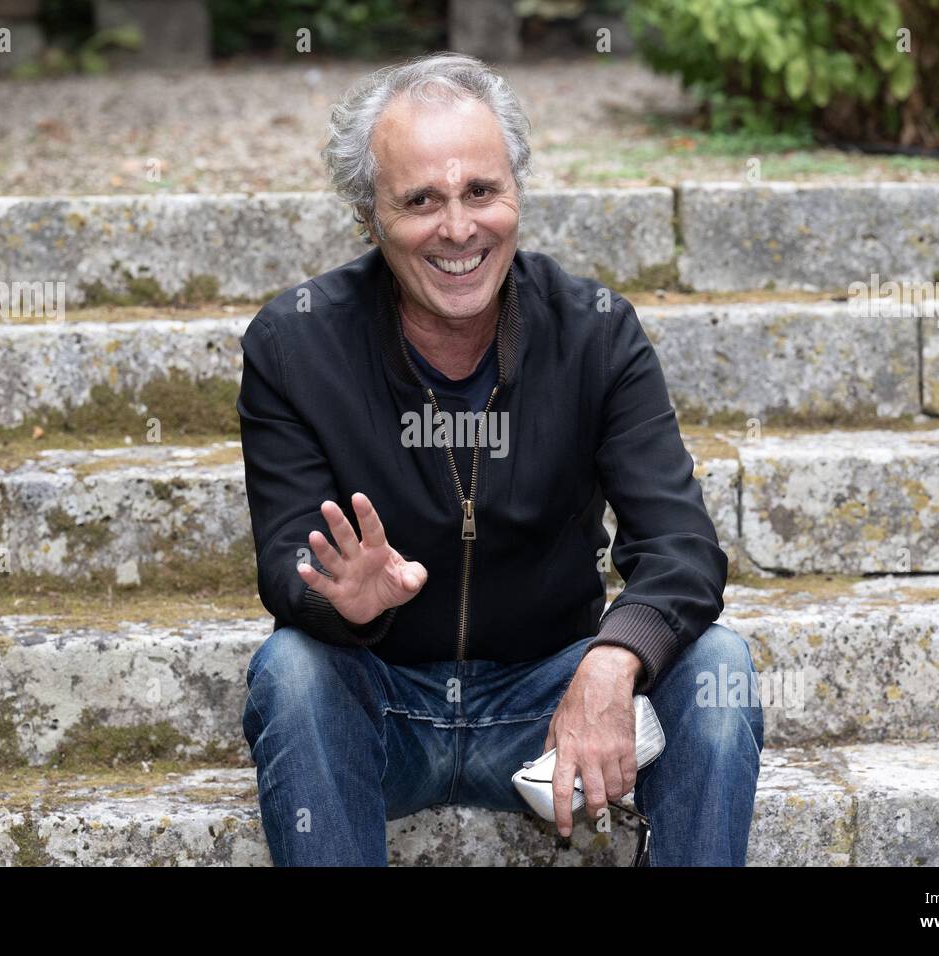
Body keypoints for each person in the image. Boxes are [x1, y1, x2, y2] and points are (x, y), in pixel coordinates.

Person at [237, 51, 763, 866]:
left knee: (717, 663)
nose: (458, 229)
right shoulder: (294, 343)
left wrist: (613, 658)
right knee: (294, 669)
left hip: (547, 708)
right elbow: (285, 563)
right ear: (368, 215)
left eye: (481, 191)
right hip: (383, 704)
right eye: (420, 201)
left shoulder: (595, 332)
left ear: (516, 190)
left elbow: (682, 549)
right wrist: (348, 603)